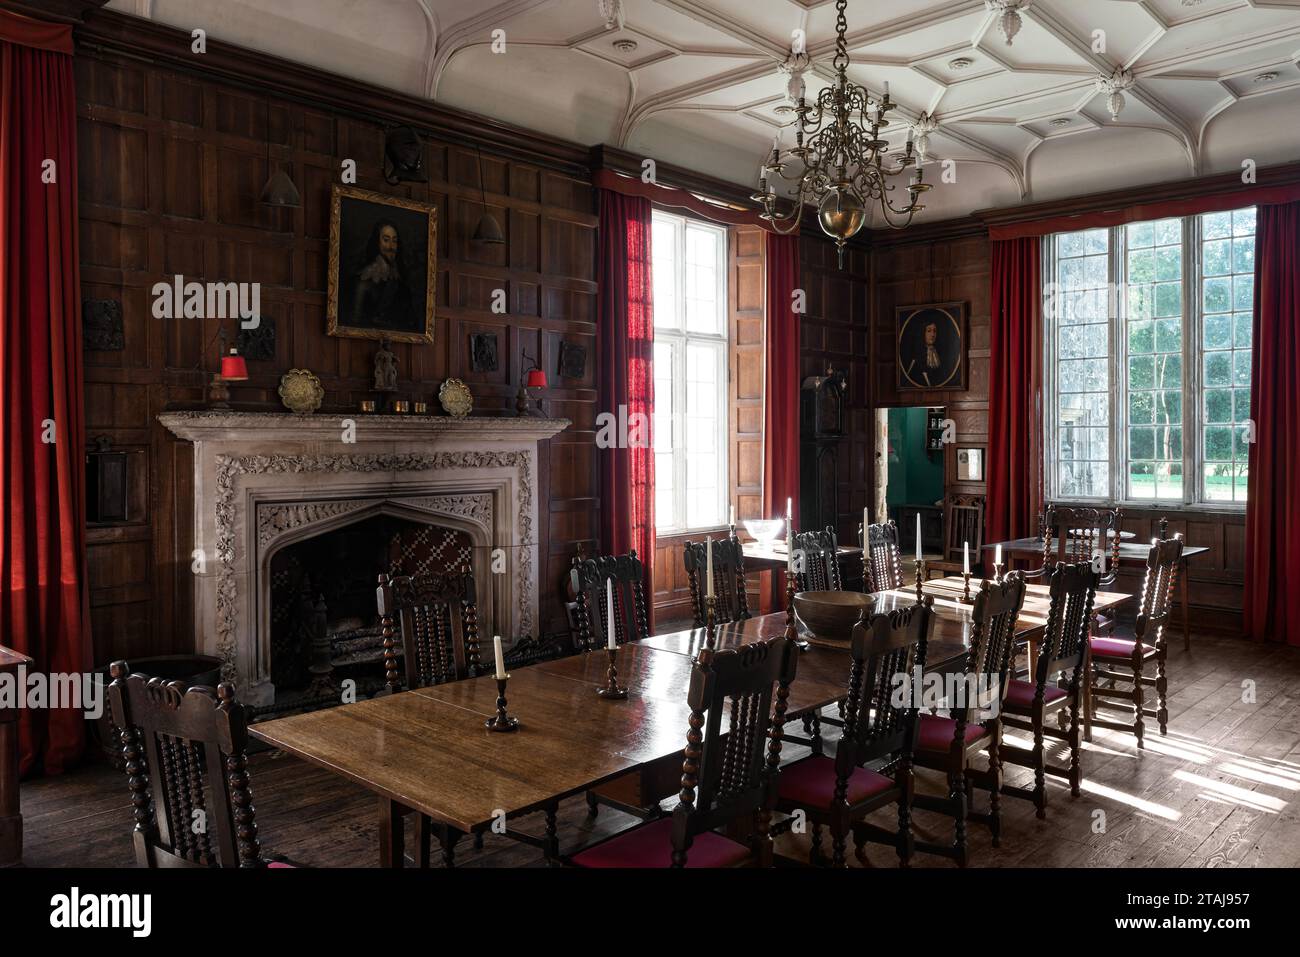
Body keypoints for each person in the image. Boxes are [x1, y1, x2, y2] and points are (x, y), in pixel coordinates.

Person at [351, 220, 416, 331]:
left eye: (394, 241)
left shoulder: (400, 280)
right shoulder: (364, 281)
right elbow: (356, 322)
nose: (391, 247)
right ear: (377, 242)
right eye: (386, 240)